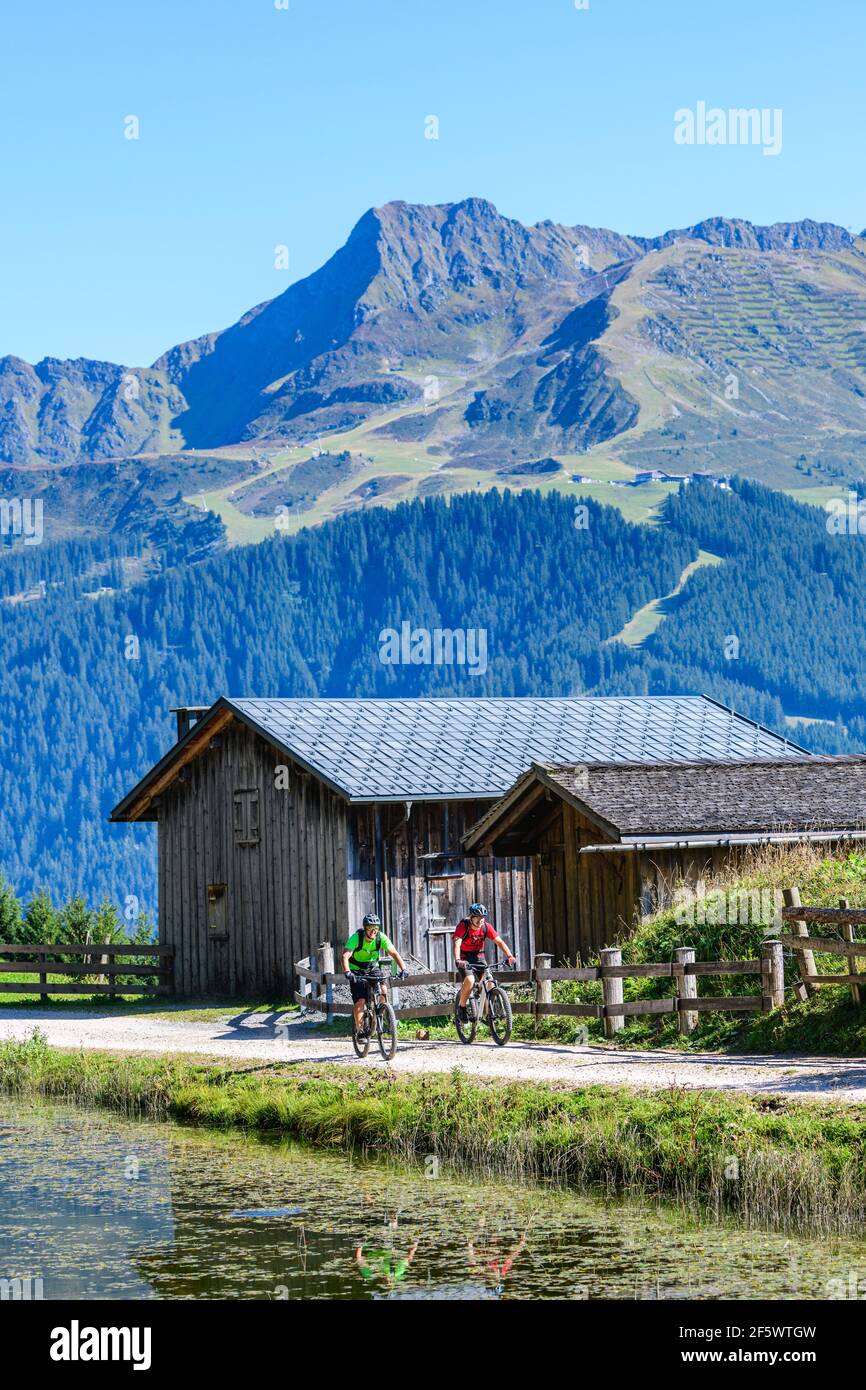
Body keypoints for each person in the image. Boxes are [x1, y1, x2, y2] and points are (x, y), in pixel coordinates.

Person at [342, 912, 407, 1038]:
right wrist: (347, 972)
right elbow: (345, 956)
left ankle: (380, 1012)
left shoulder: (380, 937)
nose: (374, 931)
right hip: (356, 969)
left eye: (376, 928)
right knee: (360, 1001)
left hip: (372, 967)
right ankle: (360, 1031)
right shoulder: (357, 938)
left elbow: (394, 953)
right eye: (371, 928)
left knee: (383, 990)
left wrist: (403, 969)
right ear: (365, 928)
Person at [453, 903, 515, 1021]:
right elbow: (457, 943)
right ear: (471, 917)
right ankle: (462, 1007)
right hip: (464, 958)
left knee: (490, 982)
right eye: (478, 917)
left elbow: (499, 942)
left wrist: (510, 956)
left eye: (483, 917)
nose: (481, 920)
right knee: (470, 980)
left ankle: (488, 1013)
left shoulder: (486, 927)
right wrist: (457, 959)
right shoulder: (463, 926)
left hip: (479, 956)